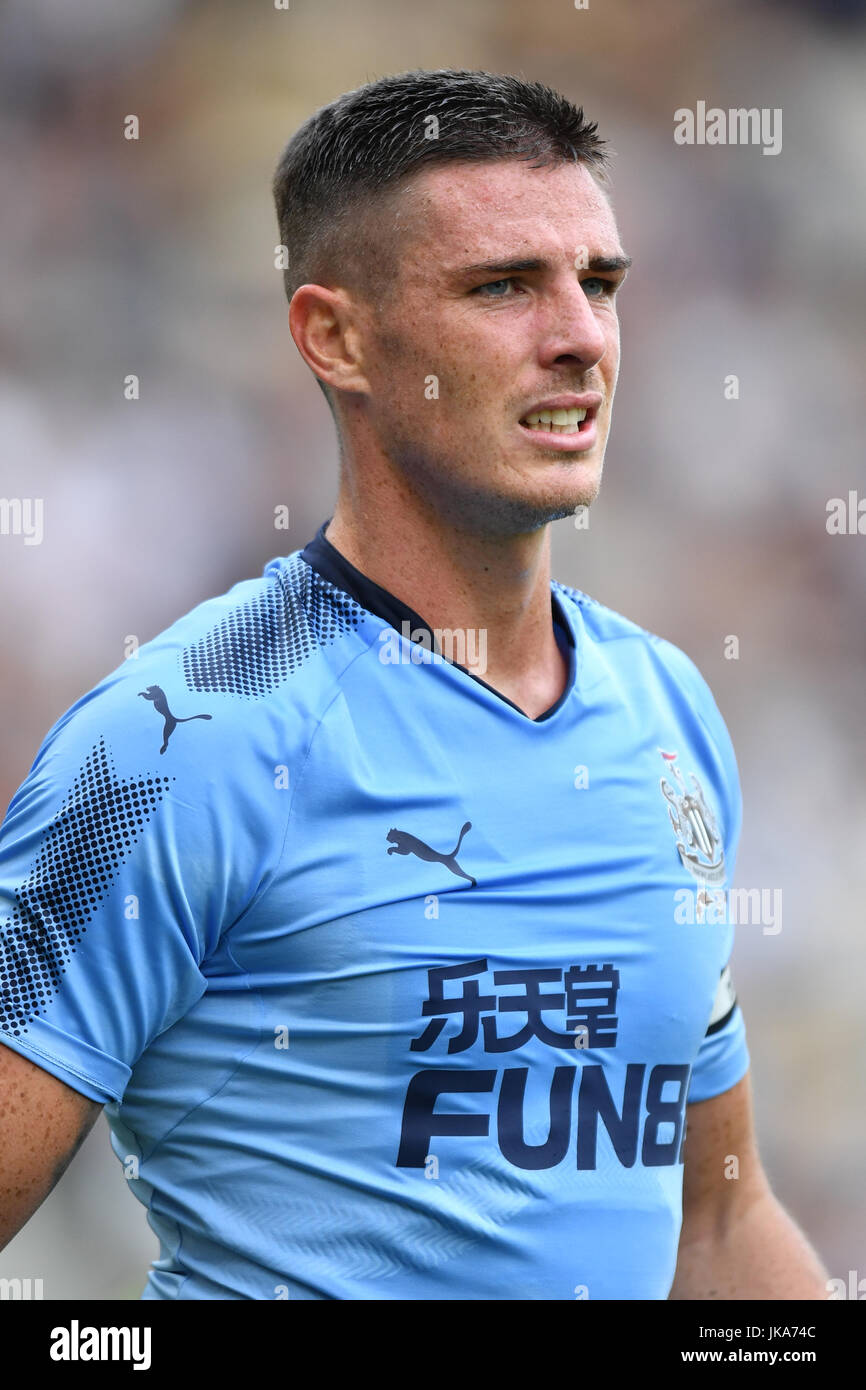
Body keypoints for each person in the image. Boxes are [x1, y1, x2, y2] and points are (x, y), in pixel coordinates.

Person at [0, 69, 827, 1300]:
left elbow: (713, 1229)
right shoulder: (176, 742)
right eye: (502, 286)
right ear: (336, 337)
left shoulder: (665, 713)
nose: (579, 337)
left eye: (596, 284)